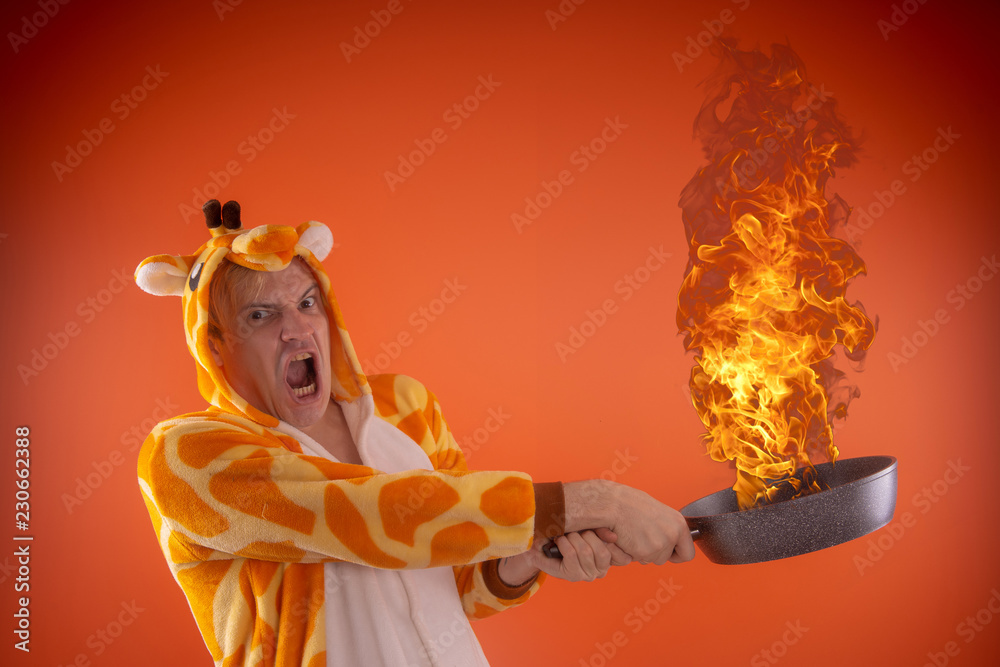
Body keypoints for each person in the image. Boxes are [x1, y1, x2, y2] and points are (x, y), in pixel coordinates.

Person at [134, 200, 694, 667]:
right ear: (214, 346)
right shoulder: (186, 456)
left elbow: (455, 580)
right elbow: (364, 517)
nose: (297, 328)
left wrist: (527, 556)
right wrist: (590, 502)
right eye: (261, 316)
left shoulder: (406, 406)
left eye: (307, 303)